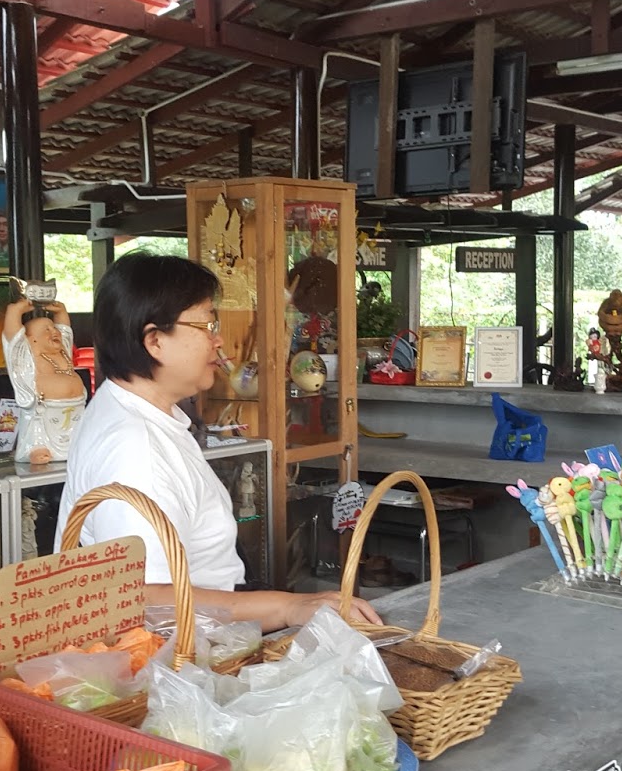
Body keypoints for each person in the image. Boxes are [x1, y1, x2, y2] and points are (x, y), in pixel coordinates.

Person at [57, 253, 382, 632]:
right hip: (183, 655)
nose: (219, 339)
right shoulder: (135, 449)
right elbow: (147, 601)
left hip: (210, 629)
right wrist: (287, 608)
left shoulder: (129, 409)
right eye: (207, 323)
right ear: (155, 341)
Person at [1, 297, 87, 465]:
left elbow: (66, 331)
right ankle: (35, 449)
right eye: (46, 330)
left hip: (75, 409)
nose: (54, 331)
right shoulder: (29, 358)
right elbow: (13, 340)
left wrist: (61, 312)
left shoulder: (62, 353)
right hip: (44, 412)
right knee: (38, 430)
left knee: (80, 436)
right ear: (32, 340)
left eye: (53, 327)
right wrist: (15, 311)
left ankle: (79, 447)